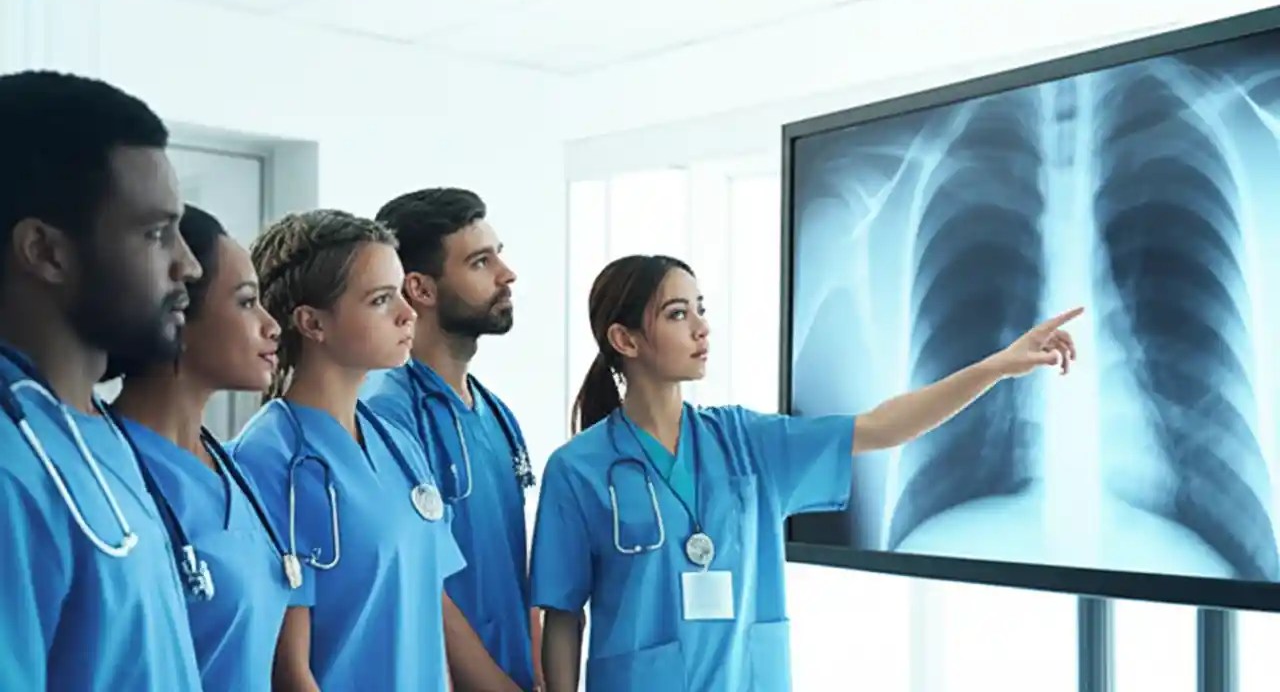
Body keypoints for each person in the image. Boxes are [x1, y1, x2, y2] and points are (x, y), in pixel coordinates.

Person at [532, 254, 1082, 692]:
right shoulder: (578, 469)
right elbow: (562, 613)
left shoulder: (748, 442)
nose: (702, 328)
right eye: (678, 314)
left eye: (701, 308)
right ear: (625, 340)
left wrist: (996, 366)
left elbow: (882, 427)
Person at [0, 70, 204, 690]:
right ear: (46, 252)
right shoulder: (12, 469)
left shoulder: (91, 434)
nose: (189, 264)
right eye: (155, 233)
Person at [233, 209, 465, 692]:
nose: (408, 313)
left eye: (402, 293)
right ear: (312, 322)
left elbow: (426, 614)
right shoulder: (268, 459)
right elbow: (289, 673)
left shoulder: (397, 443)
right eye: (381, 300)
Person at [105, 204, 292, 691]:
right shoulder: (114, 477)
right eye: (247, 302)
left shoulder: (232, 471)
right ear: (178, 315)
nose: (273, 326)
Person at [363, 188, 538, 692]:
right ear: (420, 288)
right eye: (481, 262)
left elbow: (514, 569)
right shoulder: (385, 412)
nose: (507, 274)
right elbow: (419, 577)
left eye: (498, 255)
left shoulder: (497, 414)